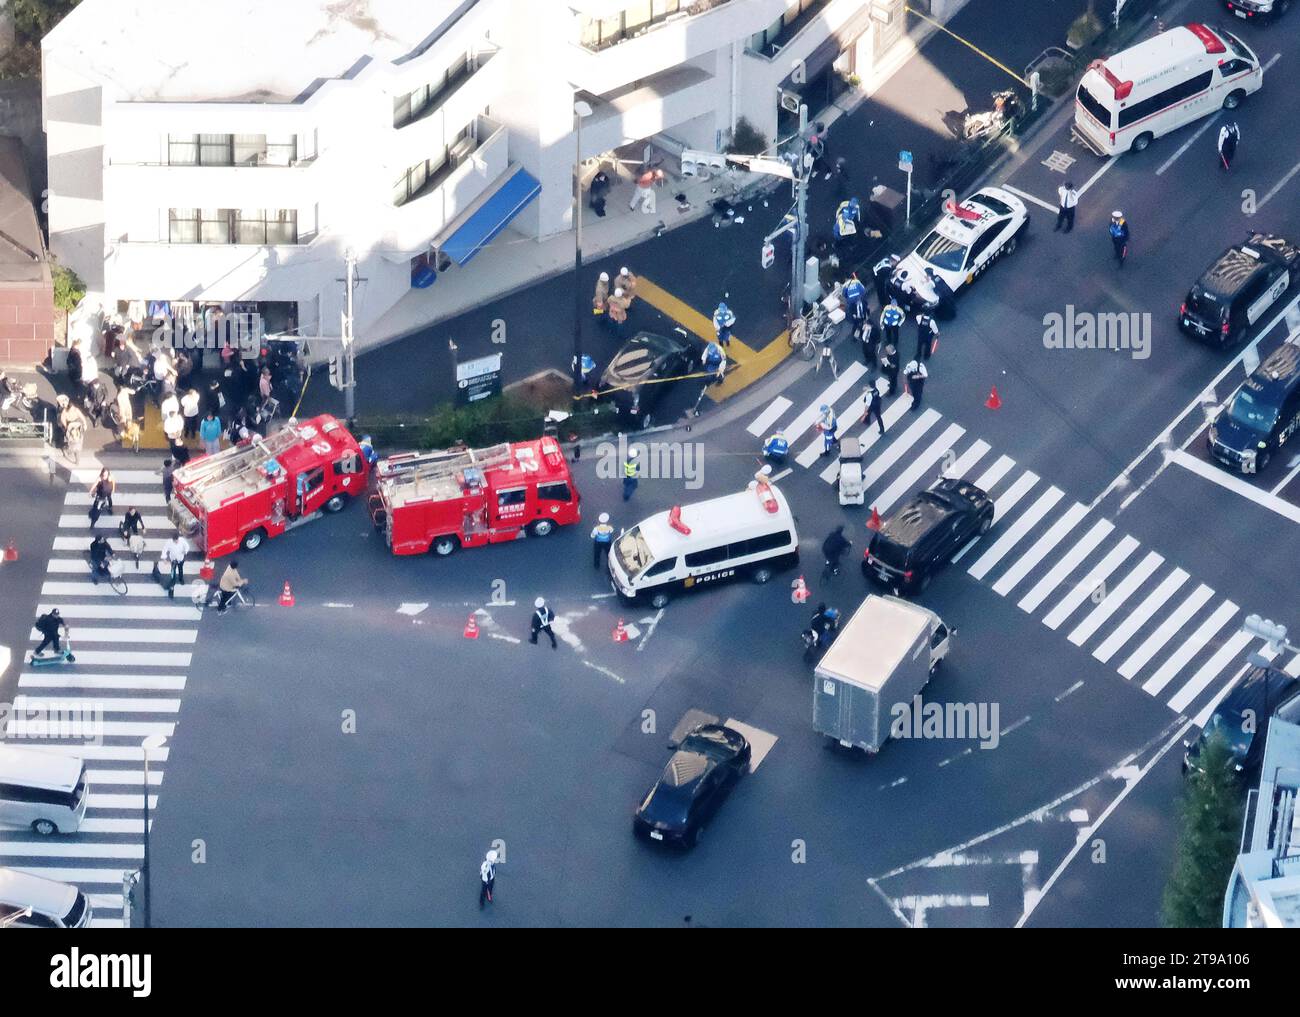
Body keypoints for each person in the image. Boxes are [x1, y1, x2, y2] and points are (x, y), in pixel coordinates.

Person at [161, 531, 189, 597]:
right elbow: (164, 550)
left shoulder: (182, 541)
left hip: (180, 558)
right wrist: (164, 558)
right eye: (175, 541)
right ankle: (173, 581)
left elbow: (187, 546)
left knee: (180, 569)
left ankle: (181, 579)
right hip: (173, 559)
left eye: (177, 541)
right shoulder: (169, 542)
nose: (176, 542)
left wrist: (185, 551)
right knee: (173, 570)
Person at [842, 273, 867, 338]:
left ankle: (856, 333)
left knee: (855, 321)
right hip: (859, 303)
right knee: (861, 319)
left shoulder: (845, 285)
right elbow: (863, 290)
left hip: (852, 304)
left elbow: (844, 295)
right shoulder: (857, 282)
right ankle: (861, 330)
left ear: (846, 279)